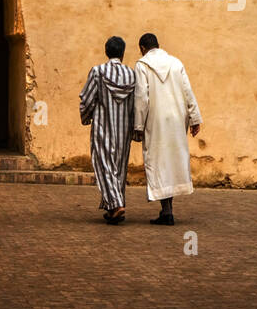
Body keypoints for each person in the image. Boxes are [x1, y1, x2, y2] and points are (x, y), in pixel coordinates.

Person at [132, 33, 201, 225]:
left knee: (159, 162)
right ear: (158, 45)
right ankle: (167, 211)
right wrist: (195, 118)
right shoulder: (176, 63)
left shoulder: (142, 65)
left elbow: (141, 98)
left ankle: (166, 210)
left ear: (142, 48)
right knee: (172, 162)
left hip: (156, 121)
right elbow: (188, 91)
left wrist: (138, 125)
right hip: (177, 119)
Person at [79, 36, 136, 225]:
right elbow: (137, 103)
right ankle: (112, 209)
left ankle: (116, 204)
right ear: (123, 52)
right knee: (118, 168)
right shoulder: (131, 74)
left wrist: (86, 117)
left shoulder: (98, 72)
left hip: (103, 126)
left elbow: (87, 99)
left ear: (106, 51)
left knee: (103, 165)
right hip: (124, 129)